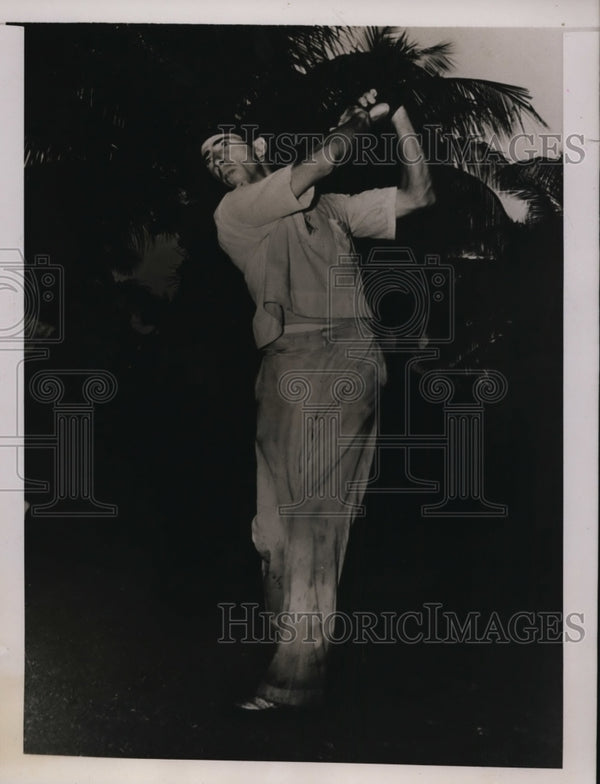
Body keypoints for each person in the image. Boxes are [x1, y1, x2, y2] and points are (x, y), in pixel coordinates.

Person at [202, 89, 434, 710]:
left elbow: (418, 195)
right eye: (210, 161)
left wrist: (401, 116)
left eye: (225, 149)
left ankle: (294, 680)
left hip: (342, 363)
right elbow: (326, 156)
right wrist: (355, 122)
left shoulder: (331, 210)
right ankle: (295, 647)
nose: (219, 163)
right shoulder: (236, 212)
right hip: (283, 371)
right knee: (272, 529)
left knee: (310, 520)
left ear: (255, 148)